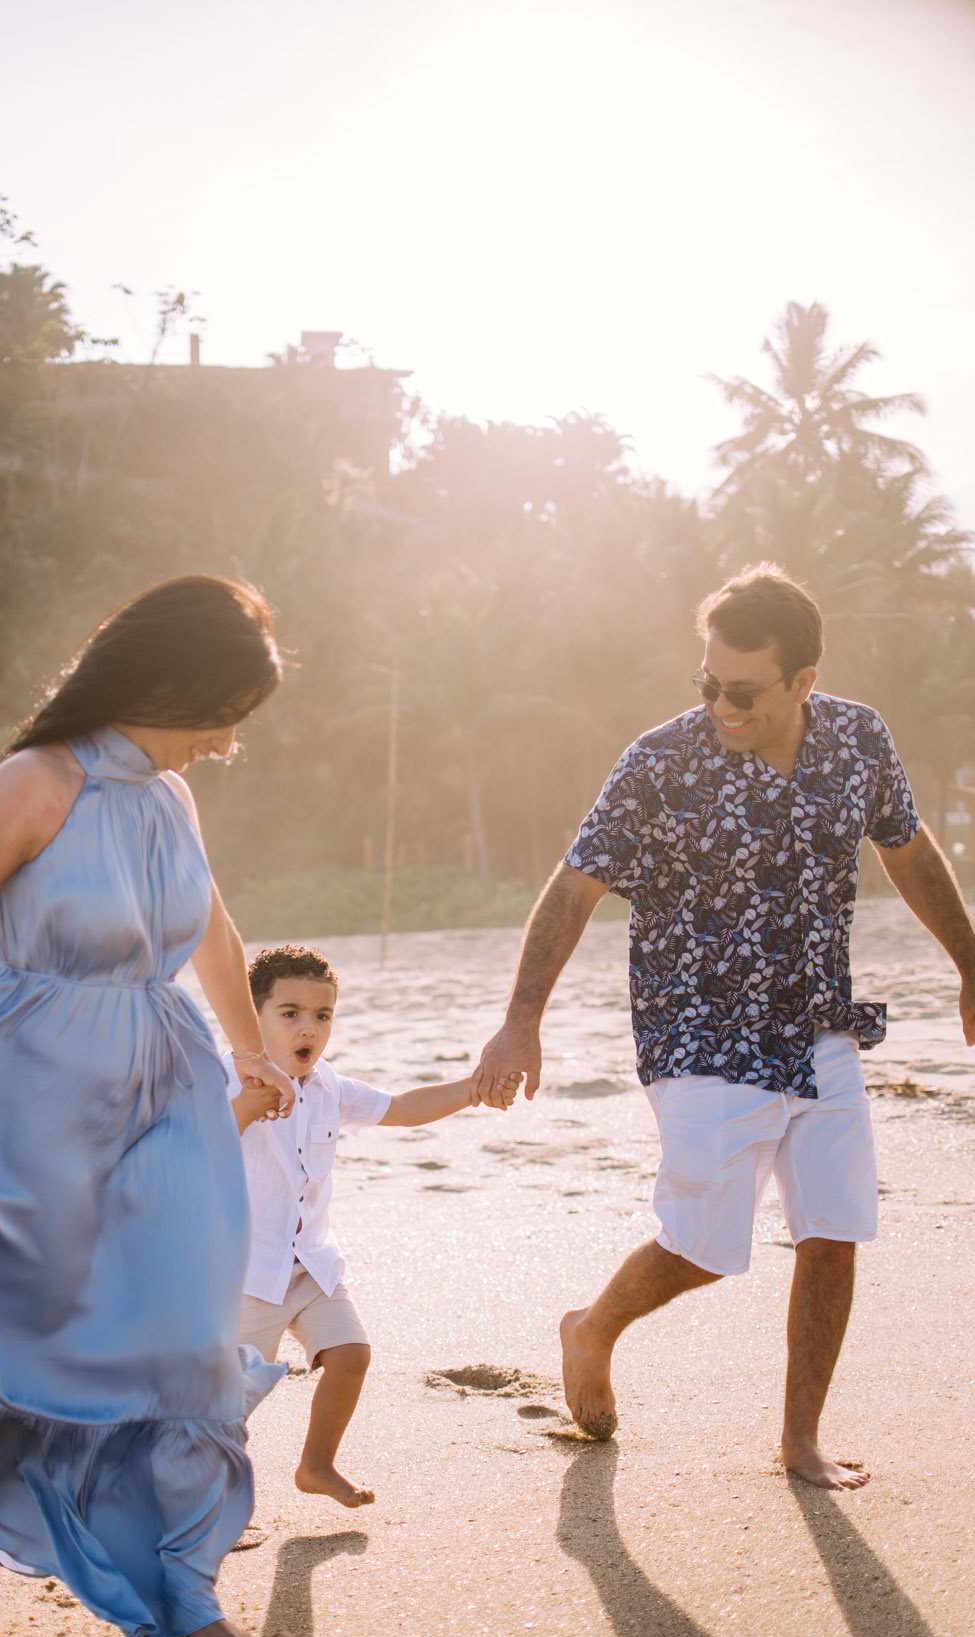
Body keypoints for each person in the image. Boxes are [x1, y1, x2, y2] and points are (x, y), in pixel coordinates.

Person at [0, 576, 303, 1637]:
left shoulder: (172, 798)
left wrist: (249, 1045)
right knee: (3, 1336)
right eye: (225, 711)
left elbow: (216, 936)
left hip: (162, 1093)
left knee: (183, 1332)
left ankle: (180, 1595)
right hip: (16, 1096)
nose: (230, 740)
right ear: (172, 681)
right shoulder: (34, 782)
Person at [475, 563, 975, 1489]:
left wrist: (970, 963)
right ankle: (591, 1329)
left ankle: (797, 1441)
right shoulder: (660, 761)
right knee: (705, 1243)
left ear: (802, 682)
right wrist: (520, 1022)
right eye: (707, 683)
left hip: (819, 1022)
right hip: (696, 1030)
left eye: (741, 691)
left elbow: (906, 850)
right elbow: (574, 885)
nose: (719, 704)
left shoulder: (858, 740)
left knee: (833, 1228)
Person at [229, 943, 518, 1507]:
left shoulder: (329, 1086)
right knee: (225, 1408)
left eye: (322, 1014)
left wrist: (475, 1087)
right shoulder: (225, 1080)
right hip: (244, 1272)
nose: (308, 1027)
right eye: (289, 1013)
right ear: (253, 1016)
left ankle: (316, 1465)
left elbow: (404, 1107)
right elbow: (187, 1147)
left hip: (311, 1261)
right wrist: (246, 1106)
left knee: (350, 1355)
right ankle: (192, 1505)